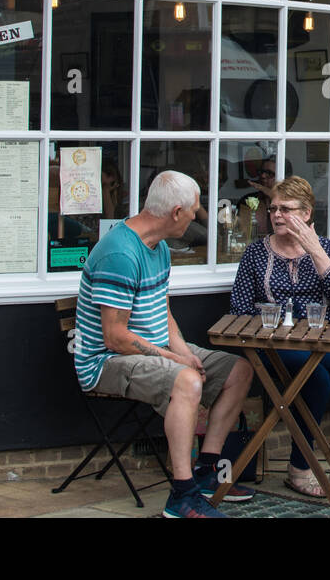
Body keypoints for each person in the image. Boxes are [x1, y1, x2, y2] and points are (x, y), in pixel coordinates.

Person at [74, 170, 255, 519]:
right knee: (187, 381)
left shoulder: (158, 248)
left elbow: (163, 310)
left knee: (239, 370)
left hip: (156, 348)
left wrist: (184, 351)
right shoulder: (120, 255)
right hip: (105, 361)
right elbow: (115, 337)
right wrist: (175, 361)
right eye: (195, 209)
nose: (196, 216)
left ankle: (207, 471)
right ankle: (181, 495)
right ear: (176, 212)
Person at [229, 176, 330, 499]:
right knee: (315, 380)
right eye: (273, 208)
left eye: (286, 209)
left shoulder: (327, 248)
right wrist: (265, 322)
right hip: (275, 346)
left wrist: (314, 249)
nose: (276, 215)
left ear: (306, 213)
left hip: (322, 341)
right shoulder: (256, 254)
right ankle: (299, 470)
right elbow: (239, 308)